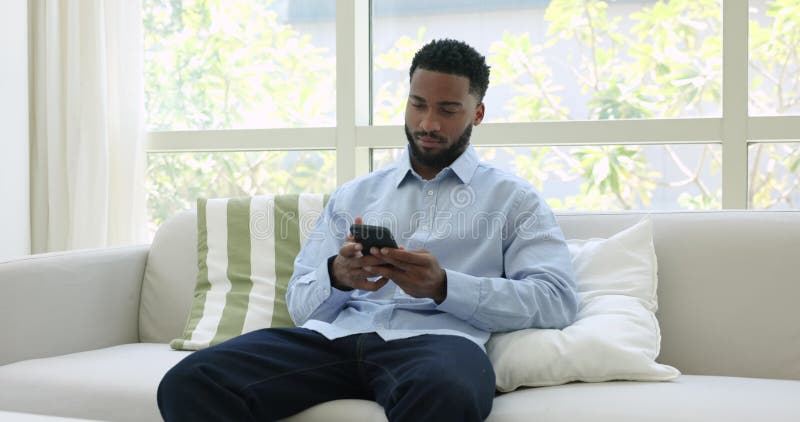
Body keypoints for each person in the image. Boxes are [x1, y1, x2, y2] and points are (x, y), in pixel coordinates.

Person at [158, 38, 577, 422]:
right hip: (334, 338)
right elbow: (302, 304)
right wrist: (337, 278)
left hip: (436, 343)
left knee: (448, 392)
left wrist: (444, 286)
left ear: (477, 113)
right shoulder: (354, 195)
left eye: (447, 110)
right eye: (417, 104)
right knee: (191, 381)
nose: (428, 123)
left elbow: (556, 300)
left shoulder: (515, 200)